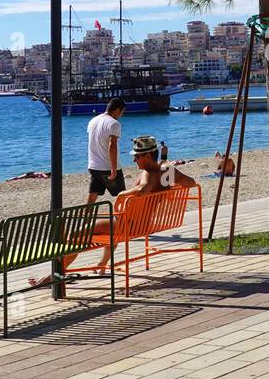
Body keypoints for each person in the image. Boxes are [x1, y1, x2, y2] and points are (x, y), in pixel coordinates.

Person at [42, 135, 197, 284]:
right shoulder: (167, 172)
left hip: (127, 225)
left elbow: (143, 189)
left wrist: (122, 194)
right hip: (142, 224)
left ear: (148, 156)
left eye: (137, 156)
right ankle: (102, 265)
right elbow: (191, 182)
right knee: (109, 221)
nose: (134, 159)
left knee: (72, 236)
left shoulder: (147, 173)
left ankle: (55, 275)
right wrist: (168, 189)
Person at [86, 97, 127, 203]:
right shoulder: (114, 124)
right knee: (122, 197)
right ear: (118, 110)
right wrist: (113, 169)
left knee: (92, 196)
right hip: (107, 168)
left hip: (94, 167)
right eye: (122, 113)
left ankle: (86, 219)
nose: (121, 116)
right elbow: (112, 146)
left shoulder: (93, 121)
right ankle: (124, 219)